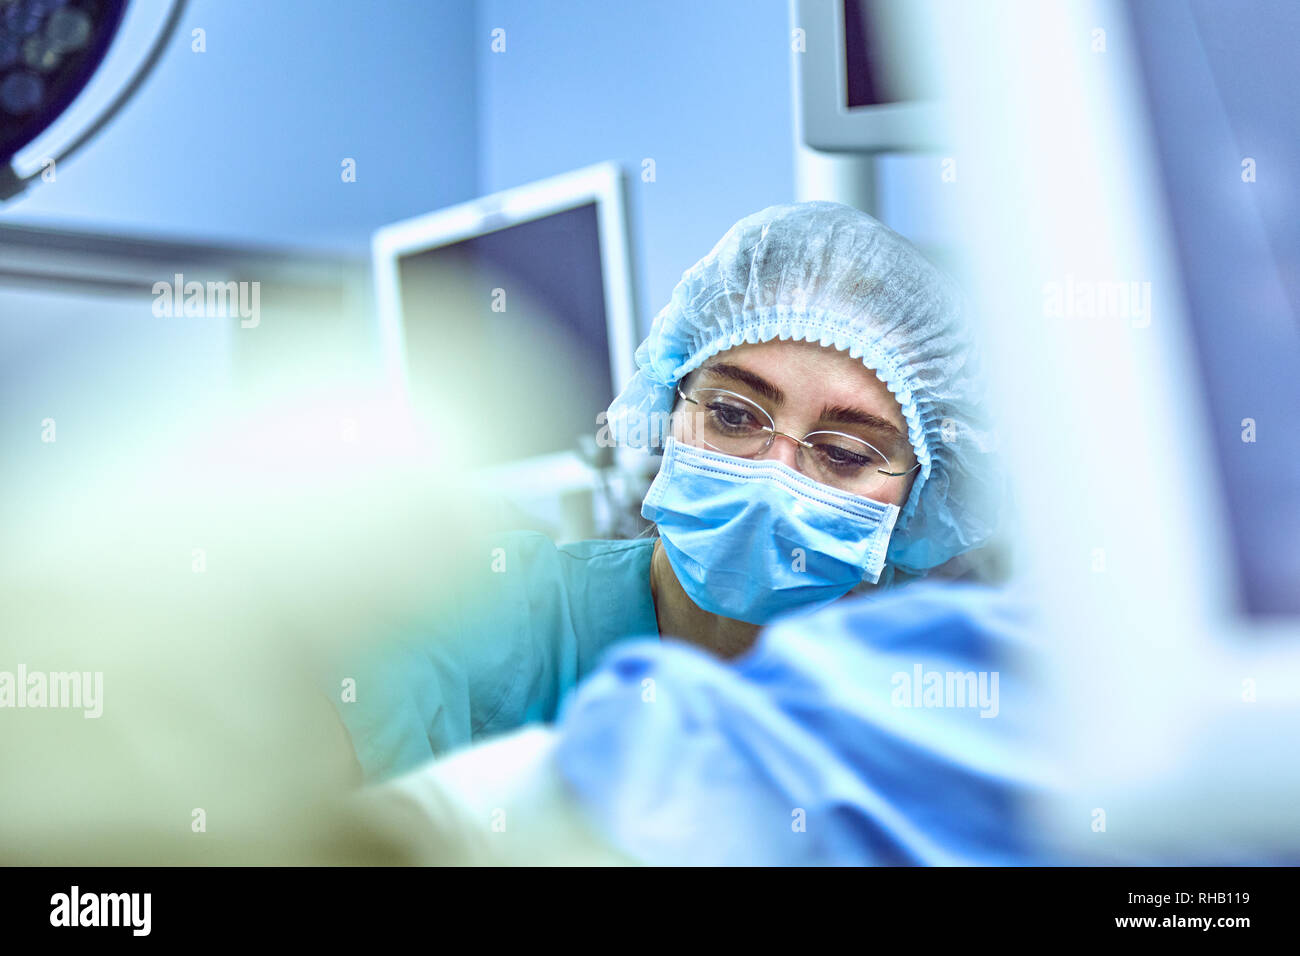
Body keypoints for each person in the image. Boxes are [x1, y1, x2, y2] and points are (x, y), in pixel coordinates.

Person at [323, 200, 999, 783]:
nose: (774, 476)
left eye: (846, 454)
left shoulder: (937, 707)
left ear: (921, 498)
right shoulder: (485, 619)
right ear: (667, 403)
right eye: (733, 416)